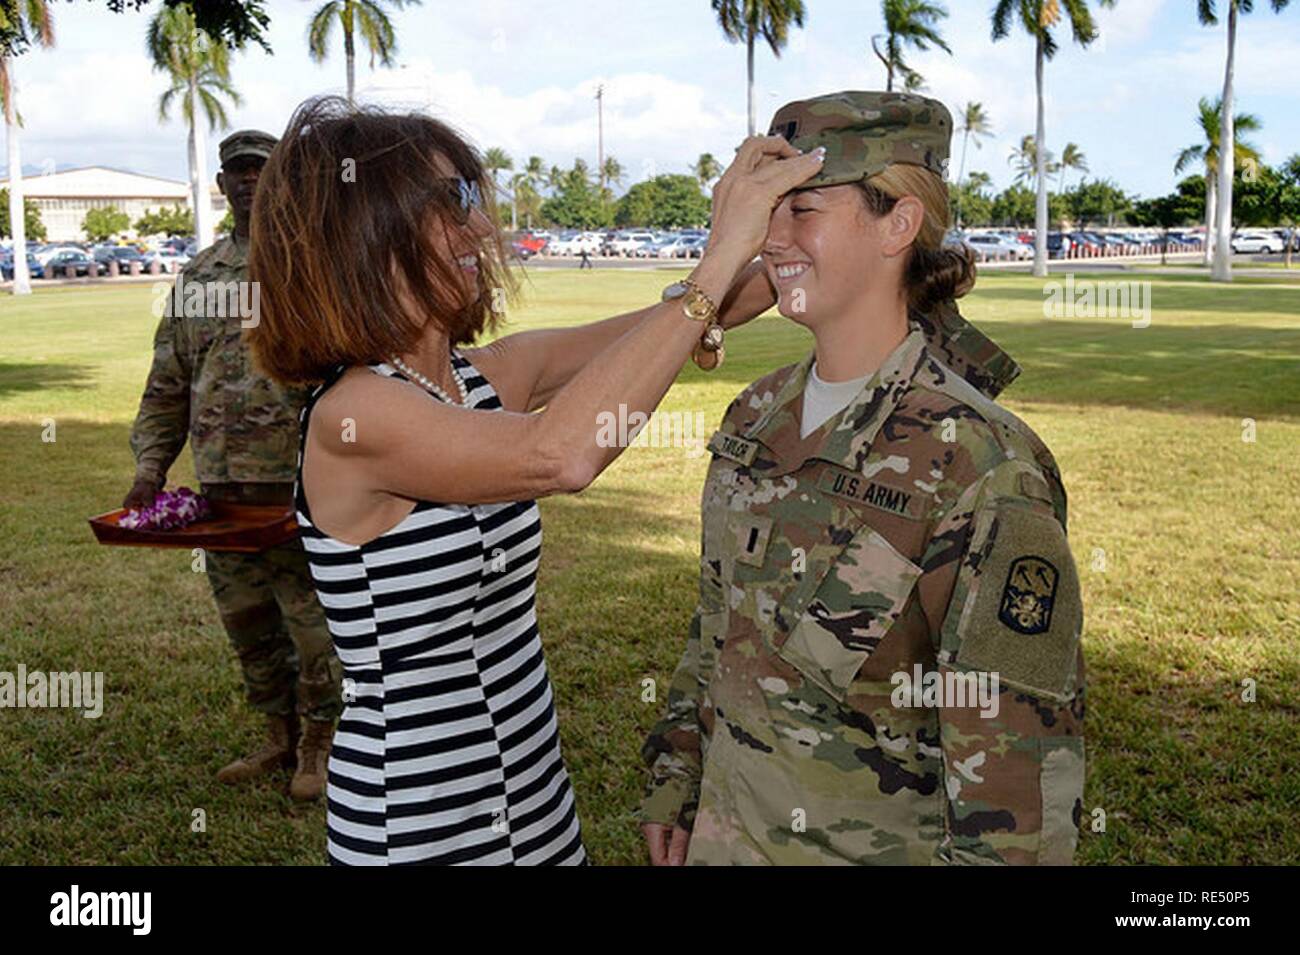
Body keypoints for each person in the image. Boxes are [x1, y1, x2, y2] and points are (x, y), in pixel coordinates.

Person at [244, 96, 825, 865]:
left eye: (471, 200)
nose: (479, 228)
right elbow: (563, 454)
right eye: (450, 204)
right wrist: (719, 256)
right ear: (363, 233)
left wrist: (783, 232)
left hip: (536, 802)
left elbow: (693, 310)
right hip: (416, 825)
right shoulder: (354, 418)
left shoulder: (480, 378)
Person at [639, 91, 1086, 866]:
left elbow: (1016, 803)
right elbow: (716, 624)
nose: (768, 241)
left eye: (799, 209)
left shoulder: (982, 466)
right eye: (762, 211)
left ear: (899, 223)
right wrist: (678, 773)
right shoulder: (754, 418)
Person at [125, 130, 342, 801]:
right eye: (236, 173)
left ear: (281, 180)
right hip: (223, 490)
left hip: (304, 484)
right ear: (221, 186)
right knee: (246, 619)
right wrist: (150, 467)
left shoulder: (314, 264)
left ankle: (321, 744)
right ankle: (277, 735)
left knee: (315, 626)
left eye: (261, 170)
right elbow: (169, 381)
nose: (248, 182)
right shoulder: (200, 275)